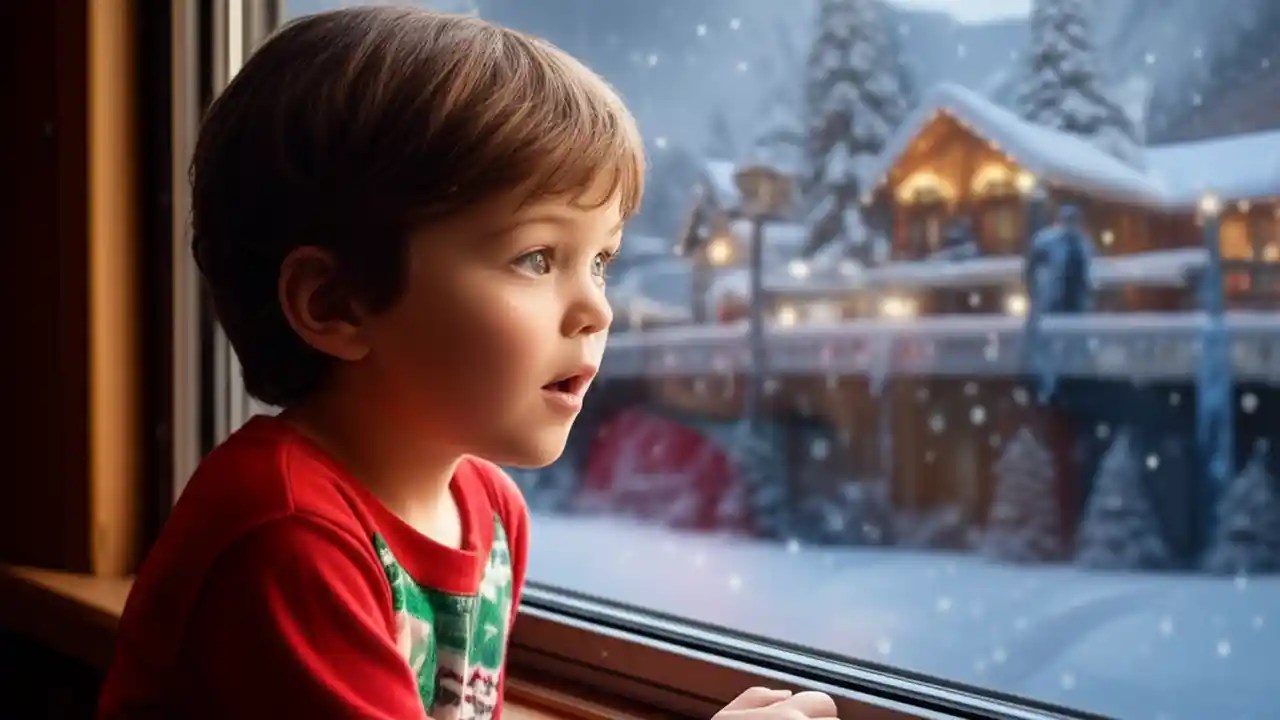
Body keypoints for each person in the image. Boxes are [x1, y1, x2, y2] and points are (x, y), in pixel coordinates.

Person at [97, 7, 838, 720]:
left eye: (601, 261)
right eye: (537, 257)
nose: (598, 311)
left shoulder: (490, 512)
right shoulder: (287, 536)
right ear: (335, 304)